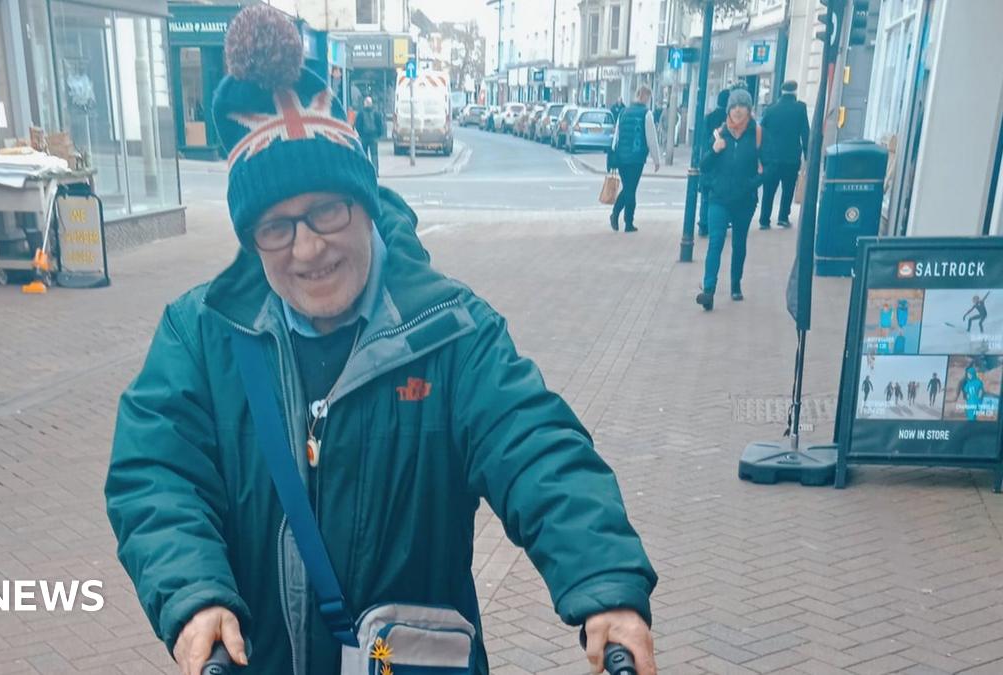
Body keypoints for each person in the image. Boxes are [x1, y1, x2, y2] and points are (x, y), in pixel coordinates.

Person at [104, 7, 658, 675]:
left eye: (327, 211)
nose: (308, 248)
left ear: (365, 203)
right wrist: (193, 594)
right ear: (251, 237)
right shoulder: (201, 334)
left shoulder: (450, 330)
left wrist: (605, 583)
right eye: (276, 226)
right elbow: (156, 475)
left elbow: (537, 448)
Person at [696, 88, 761, 310]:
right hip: (719, 198)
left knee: (739, 243)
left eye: (742, 106)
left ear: (749, 110)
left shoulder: (757, 135)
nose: (737, 110)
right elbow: (703, 166)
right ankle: (708, 290)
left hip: (744, 201)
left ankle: (735, 284)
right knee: (715, 242)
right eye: (733, 106)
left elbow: (769, 167)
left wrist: (751, 185)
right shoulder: (719, 134)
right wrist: (714, 150)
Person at [758, 81, 809, 229]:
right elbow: (805, 132)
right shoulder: (800, 108)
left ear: (781, 91)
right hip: (791, 157)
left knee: (769, 190)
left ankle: (764, 220)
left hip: (772, 157)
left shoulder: (771, 109)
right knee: (788, 189)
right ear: (795, 91)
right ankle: (783, 217)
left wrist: (762, 154)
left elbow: (761, 130)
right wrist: (807, 155)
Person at [609, 85, 661, 233]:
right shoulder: (647, 114)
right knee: (631, 189)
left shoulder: (623, 112)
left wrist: (614, 154)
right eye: (648, 97)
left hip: (621, 157)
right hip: (636, 158)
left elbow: (617, 135)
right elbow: (652, 139)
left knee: (628, 188)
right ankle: (626, 221)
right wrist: (656, 159)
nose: (648, 100)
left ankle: (617, 216)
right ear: (644, 96)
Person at [698, 88, 731, 237]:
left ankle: (703, 223)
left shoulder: (709, 117)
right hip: (722, 163)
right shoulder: (730, 119)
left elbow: (703, 139)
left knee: (705, 196)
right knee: (718, 196)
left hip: (708, 158)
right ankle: (715, 224)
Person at [354, 95, 384, 175]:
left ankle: (365, 172)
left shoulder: (360, 113)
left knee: (364, 155)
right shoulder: (376, 112)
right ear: (371, 104)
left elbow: (357, 125)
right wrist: (379, 134)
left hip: (364, 137)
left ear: (365, 103)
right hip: (374, 137)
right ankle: (375, 172)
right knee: (374, 155)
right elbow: (380, 124)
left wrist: (360, 134)